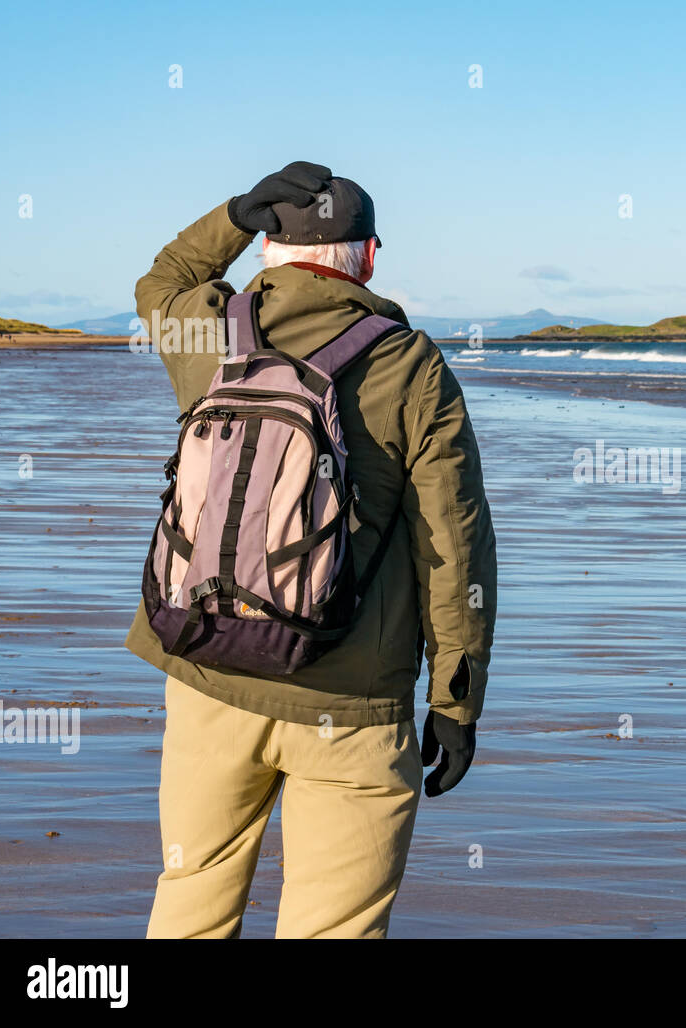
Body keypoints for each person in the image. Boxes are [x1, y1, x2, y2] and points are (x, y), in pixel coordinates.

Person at [127, 161, 497, 938]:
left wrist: (234, 212)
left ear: (268, 249)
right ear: (366, 256)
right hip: (350, 700)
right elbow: (453, 549)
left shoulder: (210, 332)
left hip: (208, 668)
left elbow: (160, 282)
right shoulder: (411, 365)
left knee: (192, 893)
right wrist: (455, 700)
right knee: (334, 925)